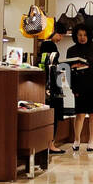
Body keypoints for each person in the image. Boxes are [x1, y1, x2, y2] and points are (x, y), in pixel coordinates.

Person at [66, 22, 93, 154]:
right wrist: (72, 86)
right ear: (75, 36)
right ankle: (77, 140)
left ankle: (92, 141)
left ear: (89, 35)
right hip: (79, 85)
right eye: (79, 35)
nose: (82, 37)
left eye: (85, 34)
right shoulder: (71, 50)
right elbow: (67, 70)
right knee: (79, 114)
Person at [38, 18, 72, 153]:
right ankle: (50, 144)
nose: (61, 38)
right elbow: (51, 66)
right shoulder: (49, 45)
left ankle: (49, 143)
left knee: (52, 113)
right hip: (52, 84)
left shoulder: (45, 44)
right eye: (61, 35)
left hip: (50, 82)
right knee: (54, 113)